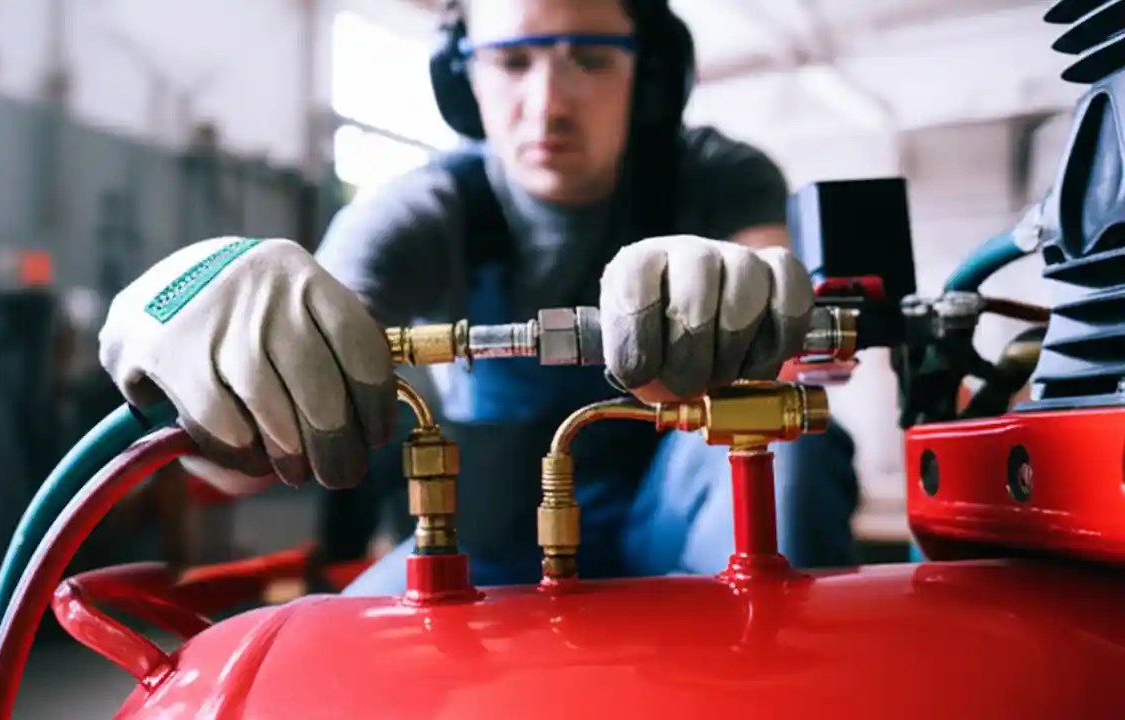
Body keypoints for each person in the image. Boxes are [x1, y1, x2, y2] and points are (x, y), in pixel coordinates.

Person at [98, 0, 859, 595]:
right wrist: (196, 334)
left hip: (699, 524)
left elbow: (789, 350)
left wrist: (747, 289)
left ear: (650, 74)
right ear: (463, 77)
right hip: (491, 549)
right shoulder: (422, 212)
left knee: (791, 453)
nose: (549, 103)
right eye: (513, 60)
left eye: (592, 59)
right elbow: (255, 460)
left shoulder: (722, 178)